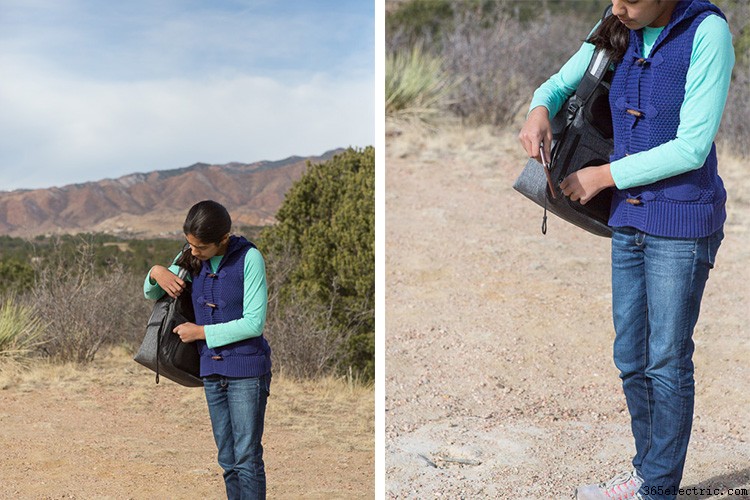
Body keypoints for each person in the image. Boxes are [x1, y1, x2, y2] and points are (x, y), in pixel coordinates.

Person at [518, 1, 734, 499]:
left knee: (666, 359)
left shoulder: (708, 32)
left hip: (682, 221)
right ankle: (645, 475)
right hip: (628, 217)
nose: (619, 6)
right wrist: (538, 111)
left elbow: (692, 146)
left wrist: (604, 176)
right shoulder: (617, 23)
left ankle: (657, 489)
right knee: (631, 357)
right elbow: (557, 84)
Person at [144, 200, 272, 500]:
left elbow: (254, 324)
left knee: (247, 459)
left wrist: (201, 333)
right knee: (227, 460)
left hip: (247, 372)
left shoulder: (250, 258)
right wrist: (156, 272)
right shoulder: (192, 256)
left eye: (200, 246)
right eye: (189, 244)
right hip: (212, 372)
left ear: (223, 240)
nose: (193, 252)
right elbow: (152, 292)